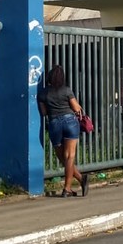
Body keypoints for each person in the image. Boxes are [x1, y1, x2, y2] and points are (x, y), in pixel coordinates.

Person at [39, 65, 88, 197]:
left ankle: (79, 180)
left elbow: (43, 113)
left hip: (54, 123)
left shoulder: (43, 92)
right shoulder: (66, 90)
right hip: (70, 122)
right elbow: (77, 109)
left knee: (62, 157)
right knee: (69, 156)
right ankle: (69, 186)